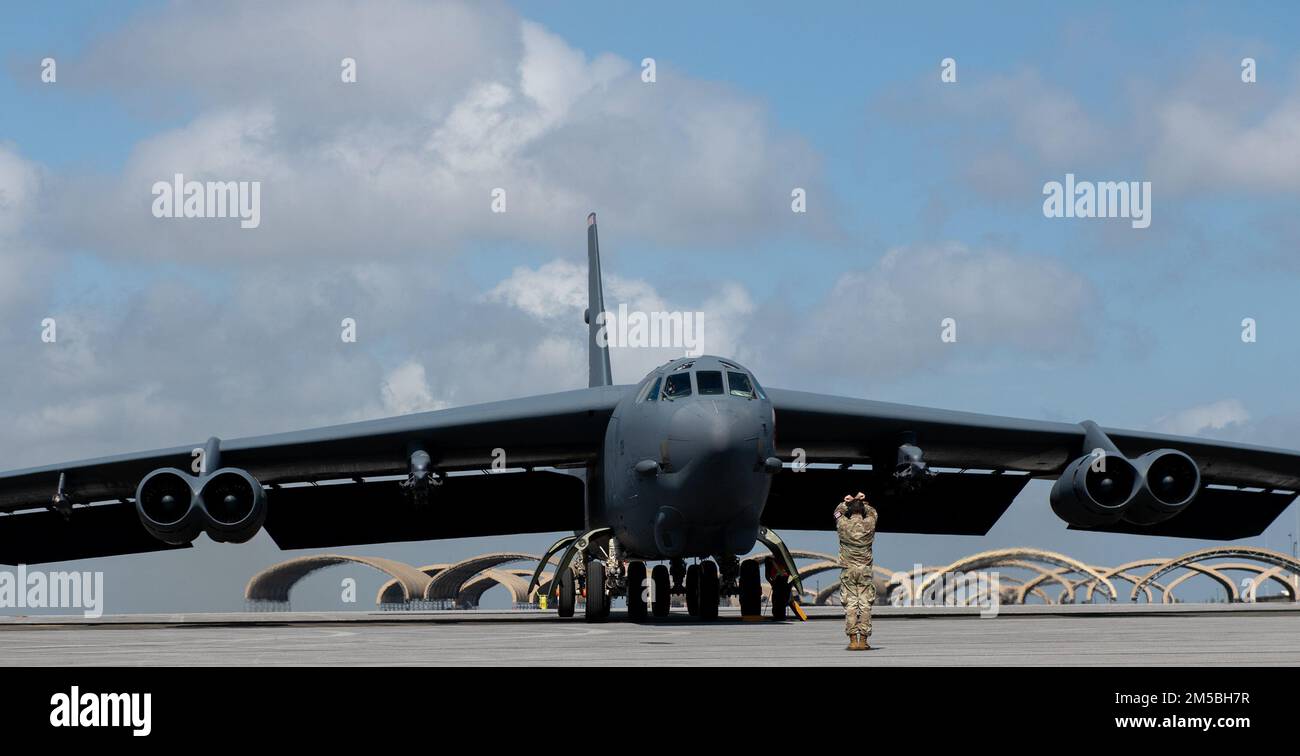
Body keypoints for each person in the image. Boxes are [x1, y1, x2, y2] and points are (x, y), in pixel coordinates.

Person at [836, 491, 877, 650]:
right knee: (865, 605)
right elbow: (873, 512)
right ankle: (864, 641)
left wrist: (846, 503)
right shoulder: (870, 523)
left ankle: (853, 641)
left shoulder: (842, 523)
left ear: (851, 511)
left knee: (851, 605)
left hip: (848, 570)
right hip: (865, 570)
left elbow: (837, 513)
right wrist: (862, 501)